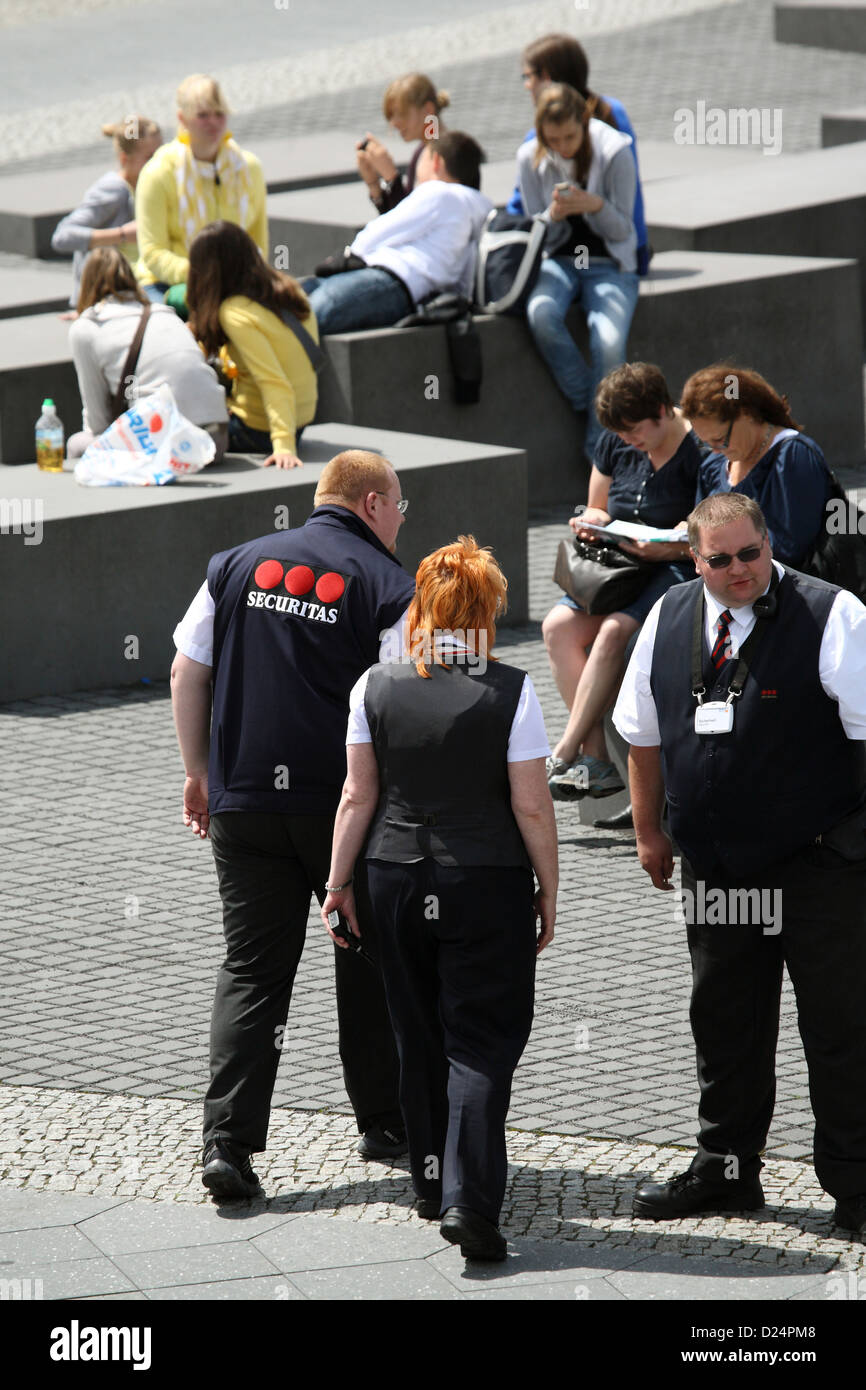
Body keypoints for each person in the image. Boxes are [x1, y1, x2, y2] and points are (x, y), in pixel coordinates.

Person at [612, 492, 866, 1235]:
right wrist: (648, 832)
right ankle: (725, 1171)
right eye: (718, 559)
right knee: (724, 1022)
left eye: (749, 553)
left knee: (841, 1026)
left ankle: (857, 1185)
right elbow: (643, 734)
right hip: (718, 869)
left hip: (819, 864)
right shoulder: (669, 615)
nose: (737, 569)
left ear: (768, 544)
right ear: (695, 559)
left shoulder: (834, 615)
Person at [170, 450, 416, 1198]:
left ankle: (228, 1145)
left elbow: (187, 671)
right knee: (369, 959)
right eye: (401, 506)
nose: (404, 522)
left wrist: (199, 772)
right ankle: (383, 1120)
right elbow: (398, 705)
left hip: (244, 801)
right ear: (372, 503)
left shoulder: (236, 563)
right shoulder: (389, 587)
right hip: (345, 810)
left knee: (251, 969)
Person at [322, 536, 557, 1259]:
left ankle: (429, 1182)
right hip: (481, 880)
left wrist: (337, 885)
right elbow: (532, 808)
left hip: (392, 874)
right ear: (487, 609)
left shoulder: (374, 686)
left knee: (416, 1031)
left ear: (423, 608)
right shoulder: (512, 691)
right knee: (481, 1042)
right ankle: (472, 1203)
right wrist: (549, 887)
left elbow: (358, 795)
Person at [544, 363, 705, 801]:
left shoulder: (697, 450)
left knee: (614, 632)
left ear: (661, 411)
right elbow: (598, 504)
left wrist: (664, 548)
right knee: (556, 627)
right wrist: (592, 521)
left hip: (672, 566)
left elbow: (701, 534)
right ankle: (596, 758)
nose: (628, 441)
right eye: (621, 433)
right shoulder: (615, 440)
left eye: (635, 431)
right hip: (619, 565)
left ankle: (565, 748)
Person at [518, 84, 639, 464]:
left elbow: (624, 230)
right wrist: (552, 216)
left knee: (608, 341)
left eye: (570, 136)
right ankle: (595, 405)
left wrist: (595, 205)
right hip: (561, 259)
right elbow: (536, 230)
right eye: (553, 139)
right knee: (540, 312)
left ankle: (597, 454)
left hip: (609, 262)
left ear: (584, 123)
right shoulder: (530, 157)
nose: (563, 146)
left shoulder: (615, 150)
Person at [303, 132, 492, 334]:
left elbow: (381, 231)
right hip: (413, 295)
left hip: (390, 279)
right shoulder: (480, 210)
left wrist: (348, 256)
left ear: (436, 161)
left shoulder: (439, 192)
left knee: (305, 317)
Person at [506, 32, 650, 275]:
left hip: (600, 254)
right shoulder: (614, 110)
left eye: (529, 76)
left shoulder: (541, 138)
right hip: (635, 249)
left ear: (547, 78)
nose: (527, 85)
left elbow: (520, 209)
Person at [66, 247, 228, 459]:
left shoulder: (86, 328)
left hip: (163, 444)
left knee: (76, 445)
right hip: (215, 442)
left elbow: (97, 422)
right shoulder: (165, 313)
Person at [186, 221, 318, 468]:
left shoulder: (234, 312)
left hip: (259, 430)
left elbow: (273, 381)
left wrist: (283, 445)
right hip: (302, 417)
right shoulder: (288, 289)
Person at [134, 74, 267, 308]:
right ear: (182, 118)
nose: (213, 122)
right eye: (203, 115)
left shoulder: (248, 168)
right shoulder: (157, 173)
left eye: (219, 113)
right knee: (171, 324)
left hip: (233, 282)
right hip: (166, 283)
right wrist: (207, 275)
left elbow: (258, 242)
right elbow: (153, 253)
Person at [684, 364, 833, 570]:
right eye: (706, 443)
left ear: (746, 414)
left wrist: (718, 546)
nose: (715, 450)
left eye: (720, 439)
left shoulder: (792, 456)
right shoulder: (713, 464)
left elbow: (790, 548)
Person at [51, 116, 162, 312]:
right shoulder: (113, 190)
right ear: (124, 159)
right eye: (149, 157)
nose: (158, 163)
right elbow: (62, 236)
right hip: (108, 295)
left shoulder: (151, 185)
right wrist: (121, 234)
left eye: (161, 155)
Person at [356, 73, 449, 213]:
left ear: (428, 110)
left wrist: (391, 177)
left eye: (401, 114)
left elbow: (412, 220)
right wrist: (373, 183)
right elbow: (397, 221)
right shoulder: (422, 151)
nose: (394, 123)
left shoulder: (447, 154)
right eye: (391, 116)